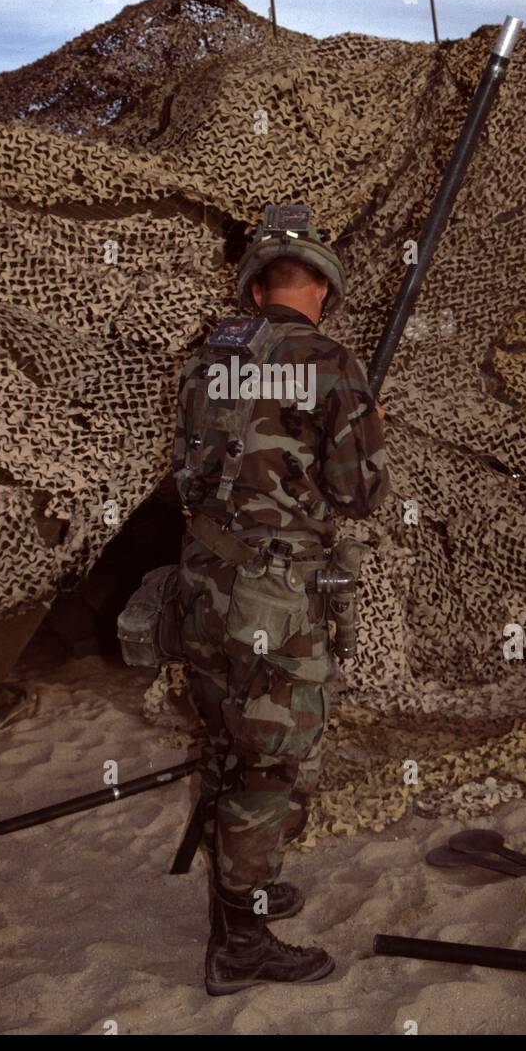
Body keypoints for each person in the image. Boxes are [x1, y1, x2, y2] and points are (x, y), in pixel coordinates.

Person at [172, 205, 390, 995]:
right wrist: (366, 428)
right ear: (323, 289)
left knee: (227, 742)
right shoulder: (333, 361)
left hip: (202, 585)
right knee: (270, 762)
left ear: (257, 283)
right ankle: (240, 943)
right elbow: (360, 494)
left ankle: (241, 895)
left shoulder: (210, 356)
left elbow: (190, 476)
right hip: (271, 598)